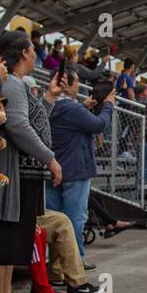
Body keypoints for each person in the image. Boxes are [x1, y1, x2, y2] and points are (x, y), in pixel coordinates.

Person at [0, 31, 72, 293]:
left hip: (24, 174)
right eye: (33, 49)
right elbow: (19, 126)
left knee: (15, 236)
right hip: (14, 173)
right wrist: (50, 158)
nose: (36, 54)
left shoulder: (17, 84)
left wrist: (48, 98)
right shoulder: (11, 83)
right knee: (5, 236)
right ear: (24, 53)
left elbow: (32, 120)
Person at [47, 62, 115, 257]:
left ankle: (57, 265)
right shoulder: (71, 108)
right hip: (75, 169)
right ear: (65, 85)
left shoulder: (51, 105)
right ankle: (75, 263)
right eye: (76, 81)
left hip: (55, 168)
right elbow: (99, 124)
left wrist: (84, 107)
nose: (79, 85)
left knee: (56, 221)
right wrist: (108, 105)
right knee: (75, 219)